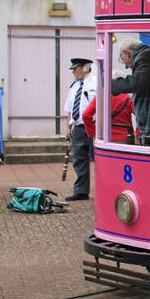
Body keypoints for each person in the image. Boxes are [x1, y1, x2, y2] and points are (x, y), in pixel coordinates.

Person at [111, 40, 150, 145]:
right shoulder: (149, 56)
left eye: (123, 60)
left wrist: (112, 84)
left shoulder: (145, 57)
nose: (126, 66)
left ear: (127, 53)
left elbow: (138, 83)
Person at [63, 58, 96, 200]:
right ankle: (81, 191)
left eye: (75, 69)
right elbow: (70, 108)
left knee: (99, 159)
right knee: (78, 159)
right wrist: (68, 128)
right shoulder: (74, 86)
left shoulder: (96, 83)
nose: (73, 72)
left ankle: (105, 189)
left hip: (93, 126)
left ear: (84, 68)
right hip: (78, 127)